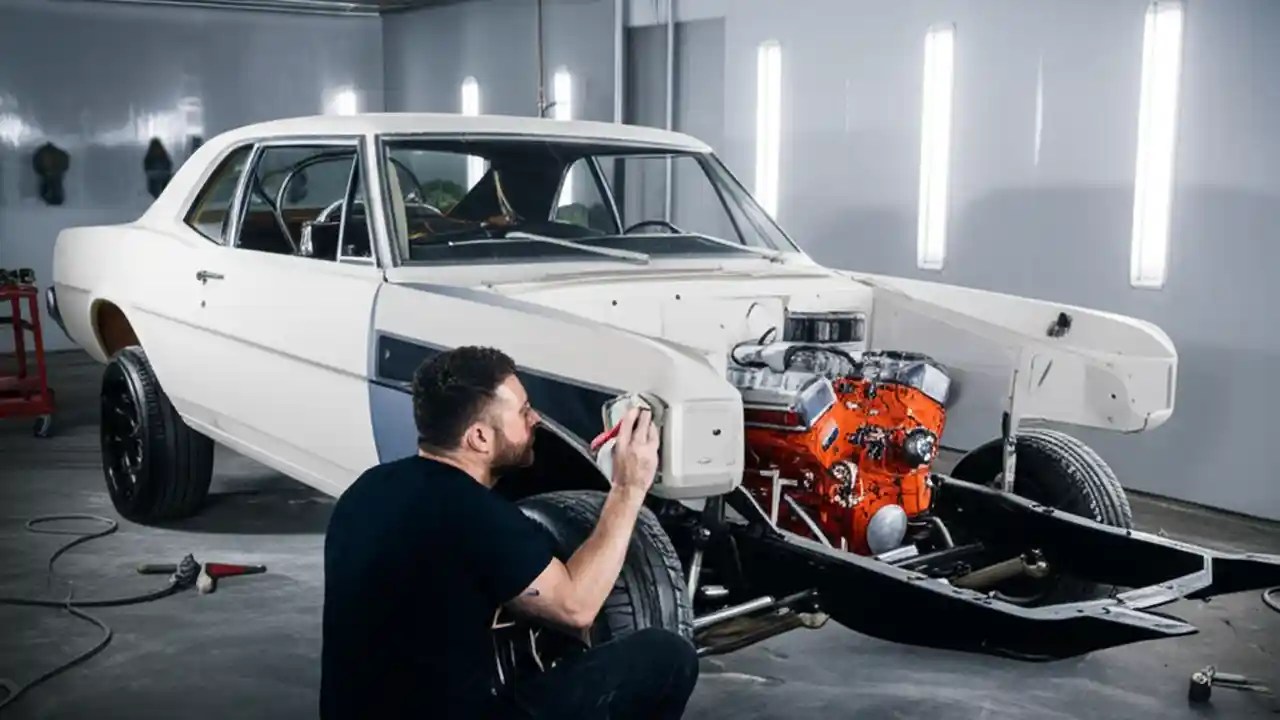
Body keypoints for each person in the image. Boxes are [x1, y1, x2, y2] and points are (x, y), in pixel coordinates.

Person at [320, 345, 699, 719]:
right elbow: (576, 607)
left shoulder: (365, 490)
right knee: (665, 655)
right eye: (523, 412)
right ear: (480, 438)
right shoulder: (474, 513)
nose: (536, 419)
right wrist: (628, 488)